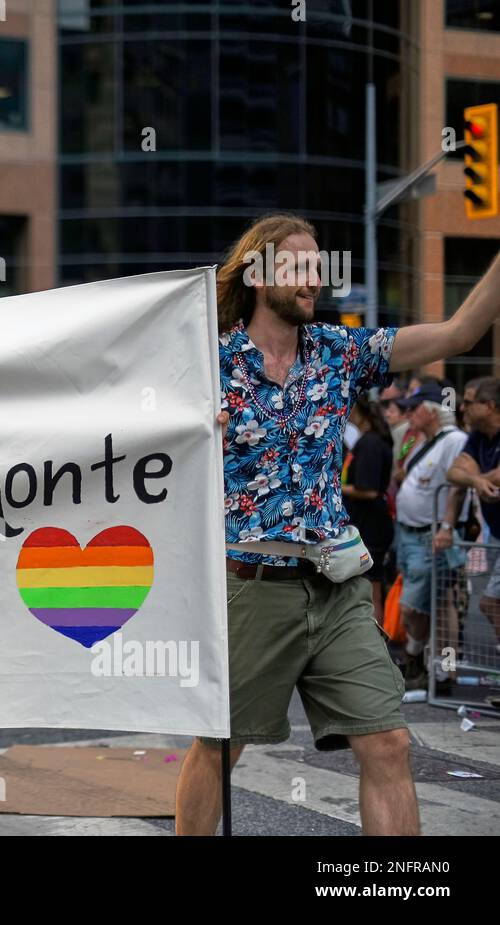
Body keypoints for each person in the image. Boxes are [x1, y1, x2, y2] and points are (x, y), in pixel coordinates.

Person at [175, 212, 500, 836]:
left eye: (317, 267)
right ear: (258, 272)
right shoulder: (205, 361)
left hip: (338, 587)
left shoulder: (339, 351)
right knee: (219, 747)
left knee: (388, 744)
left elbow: (460, 331)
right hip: (247, 586)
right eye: (298, 266)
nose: (314, 279)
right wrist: (193, 433)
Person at [391, 384, 468, 692]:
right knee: (432, 605)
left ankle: (426, 664)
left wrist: (447, 527)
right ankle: (436, 670)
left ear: (432, 411)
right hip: (411, 533)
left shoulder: (454, 440)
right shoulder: (426, 440)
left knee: (423, 606)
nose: (409, 413)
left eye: (415, 408)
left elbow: (457, 487)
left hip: (431, 536)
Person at [446, 376, 500, 707]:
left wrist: (478, 477)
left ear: (490, 405)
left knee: (490, 604)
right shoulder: (478, 437)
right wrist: (478, 479)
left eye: (469, 401)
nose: (462, 407)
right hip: (496, 532)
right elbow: (454, 473)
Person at [342, 397, 394, 621]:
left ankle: (377, 637)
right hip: (367, 520)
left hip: (371, 523)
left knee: (371, 586)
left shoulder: (370, 443)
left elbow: (369, 489)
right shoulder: (366, 441)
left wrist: (336, 488)